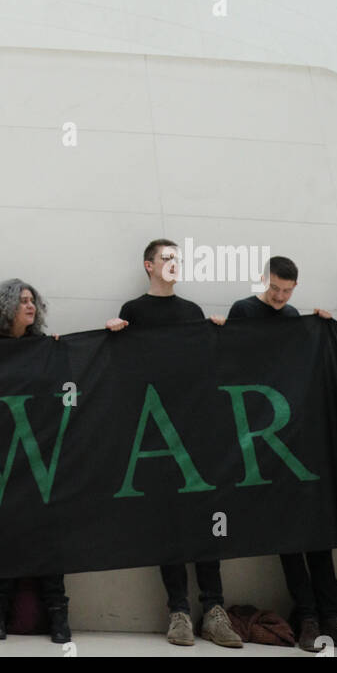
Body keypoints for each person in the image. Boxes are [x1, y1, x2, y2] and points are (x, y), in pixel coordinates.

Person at [106, 240, 242, 650]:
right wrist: (113, 336)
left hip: (193, 428)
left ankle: (214, 611)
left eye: (176, 259)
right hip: (155, 433)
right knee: (169, 522)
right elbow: (127, 369)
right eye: (166, 258)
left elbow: (202, 367)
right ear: (149, 265)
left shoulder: (191, 312)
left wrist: (215, 335)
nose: (173, 264)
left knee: (204, 518)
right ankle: (179, 611)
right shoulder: (134, 310)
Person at [226, 255, 337, 652]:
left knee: (316, 533)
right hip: (264, 438)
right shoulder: (244, 310)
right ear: (264, 280)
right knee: (287, 533)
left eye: (286, 291)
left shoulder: (294, 315)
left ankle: (330, 617)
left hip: (297, 436)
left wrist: (324, 330)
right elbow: (234, 364)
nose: (280, 297)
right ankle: (308, 616)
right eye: (275, 289)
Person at [0, 279, 71, 645]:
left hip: (40, 452)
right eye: (23, 301)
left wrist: (59, 354)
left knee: (47, 534)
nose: (30, 306)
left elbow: (63, 392)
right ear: (7, 308)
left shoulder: (43, 346)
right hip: (0, 455)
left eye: (33, 301)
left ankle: (59, 614)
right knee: (3, 534)